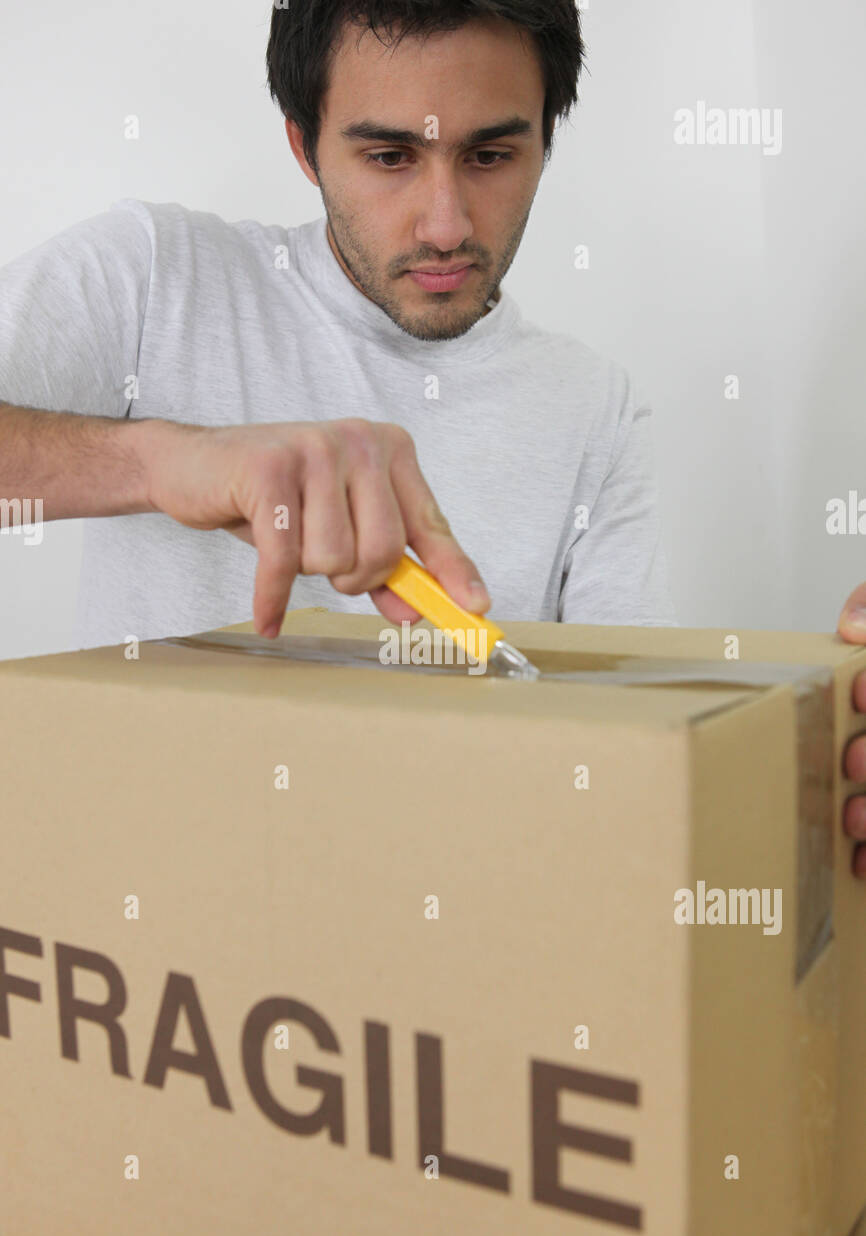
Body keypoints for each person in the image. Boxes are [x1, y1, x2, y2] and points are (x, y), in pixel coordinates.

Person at [1, 0, 865, 875]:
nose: (446, 224)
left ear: (547, 136)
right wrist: (162, 459)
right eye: (389, 156)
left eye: (491, 155)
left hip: (454, 962)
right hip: (156, 946)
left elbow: (638, 755)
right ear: (303, 145)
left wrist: (804, 760)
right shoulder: (154, 277)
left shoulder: (593, 405)